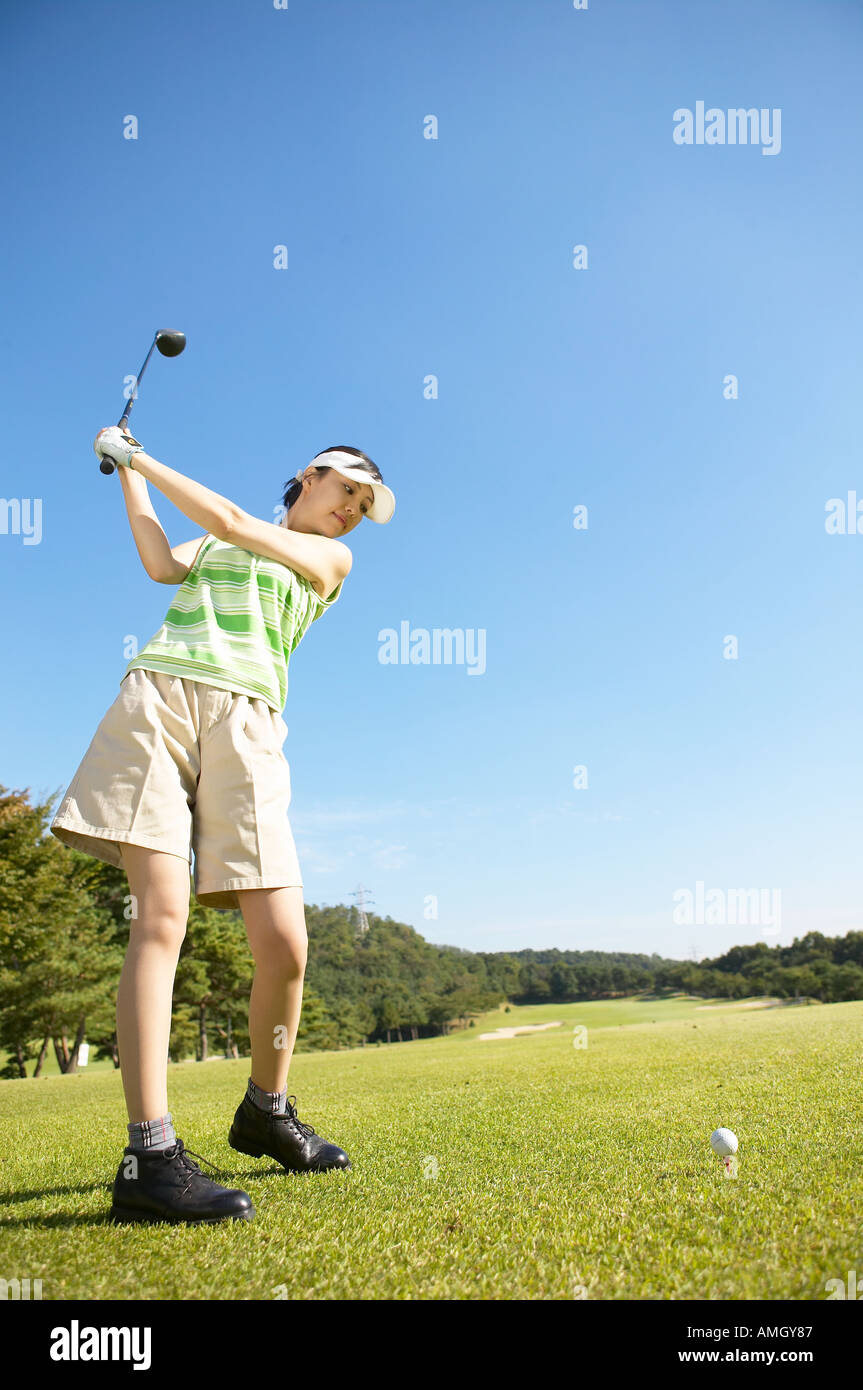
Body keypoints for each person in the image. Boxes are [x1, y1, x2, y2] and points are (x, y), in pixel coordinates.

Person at [50, 423, 395, 1224]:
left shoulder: (327, 562)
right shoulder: (222, 546)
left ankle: (264, 1111)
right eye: (347, 491)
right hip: (159, 700)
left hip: (248, 724)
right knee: (160, 917)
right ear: (312, 476)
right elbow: (162, 561)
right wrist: (124, 477)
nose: (351, 512)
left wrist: (139, 456)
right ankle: (150, 1153)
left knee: (284, 945)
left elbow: (235, 523)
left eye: (362, 505)